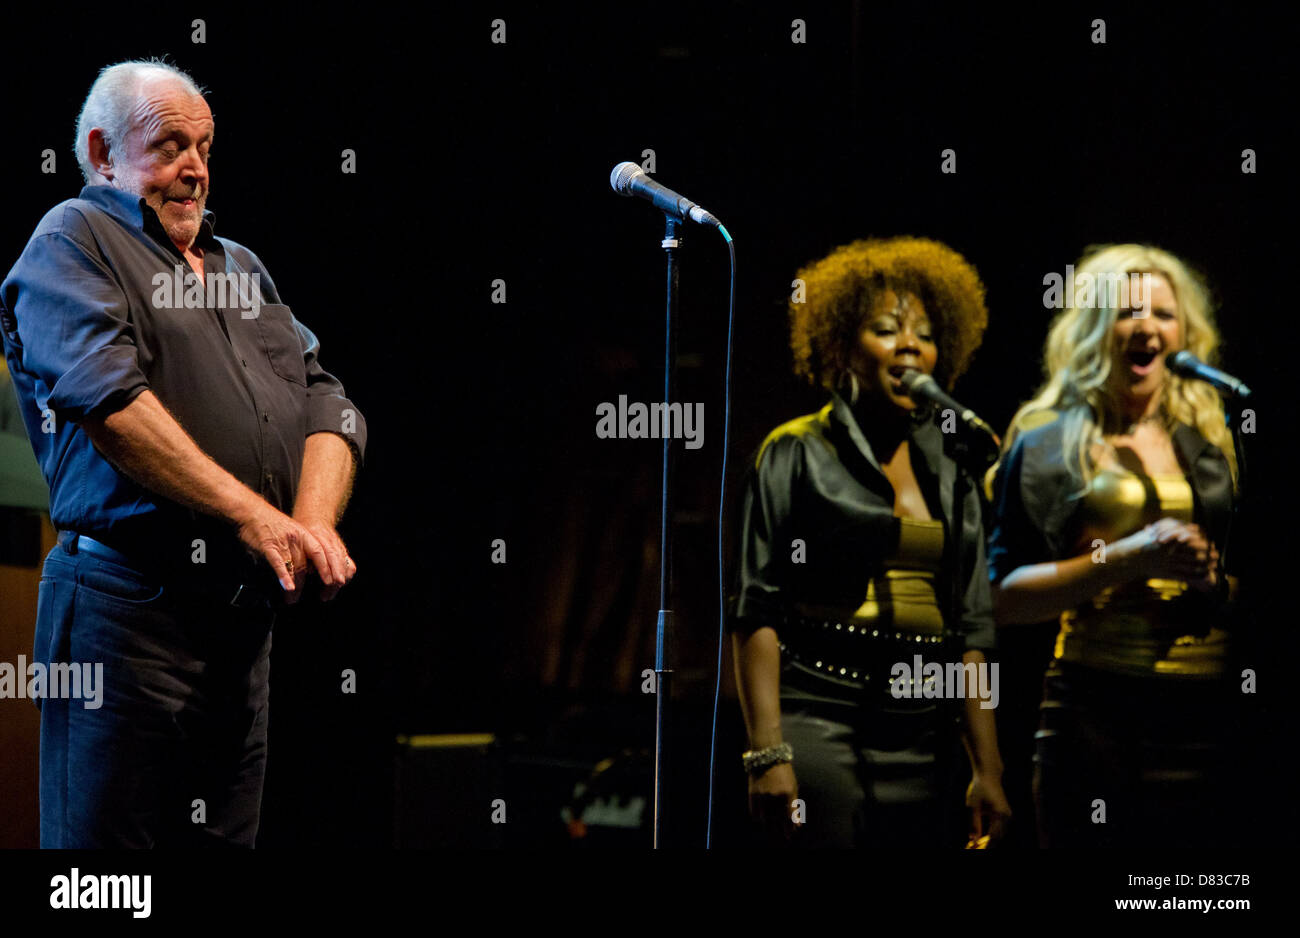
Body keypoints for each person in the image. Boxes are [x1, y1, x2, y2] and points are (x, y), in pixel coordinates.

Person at [0, 59, 367, 847]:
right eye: (169, 146)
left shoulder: (240, 266)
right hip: (125, 611)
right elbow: (112, 404)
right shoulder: (77, 237)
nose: (195, 168)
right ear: (103, 153)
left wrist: (310, 523)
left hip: (238, 629)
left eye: (203, 146)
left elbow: (326, 400)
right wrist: (255, 517)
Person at [730, 236, 1010, 847]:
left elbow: (974, 627)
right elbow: (756, 606)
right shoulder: (795, 451)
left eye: (926, 334)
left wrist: (987, 768)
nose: (910, 344)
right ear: (842, 346)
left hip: (926, 732)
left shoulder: (954, 464)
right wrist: (767, 752)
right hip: (820, 718)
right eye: (886, 329)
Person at [987, 243, 1239, 847]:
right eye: (1127, 311)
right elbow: (1002, 597)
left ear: (1186, 334)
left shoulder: (1214, 441)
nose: (1147, 327)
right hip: (1096, 713)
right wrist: (1126, 558)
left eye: (1164, 314)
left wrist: (1214, 584)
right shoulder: (1049, 442)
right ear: (1096, 328)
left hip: (1209, 711)